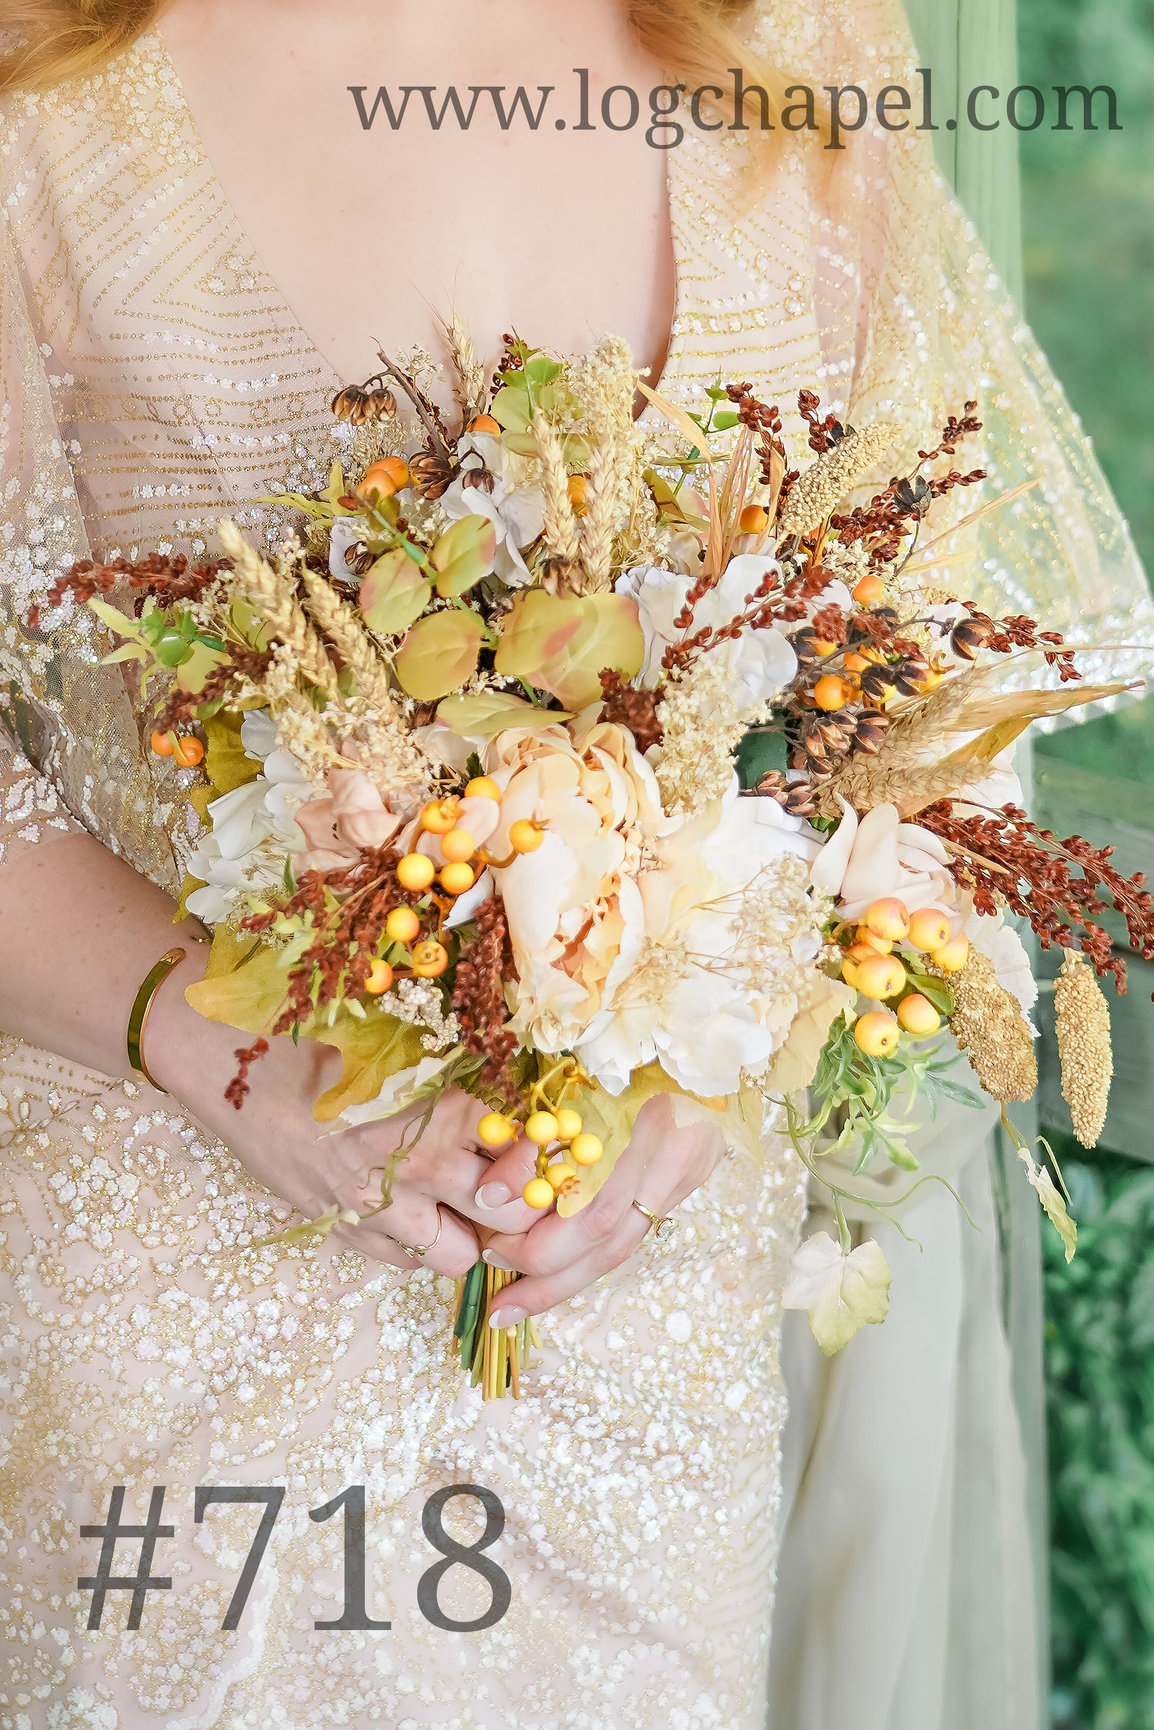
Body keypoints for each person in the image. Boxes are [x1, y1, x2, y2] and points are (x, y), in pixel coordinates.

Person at [1, 2, 1150, 1725]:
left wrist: (715, 1039)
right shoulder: (45, 82)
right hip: (171, 1292)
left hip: (640, 1319)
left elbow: (913, 689)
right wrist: (238, 1059)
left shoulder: (793, 42)